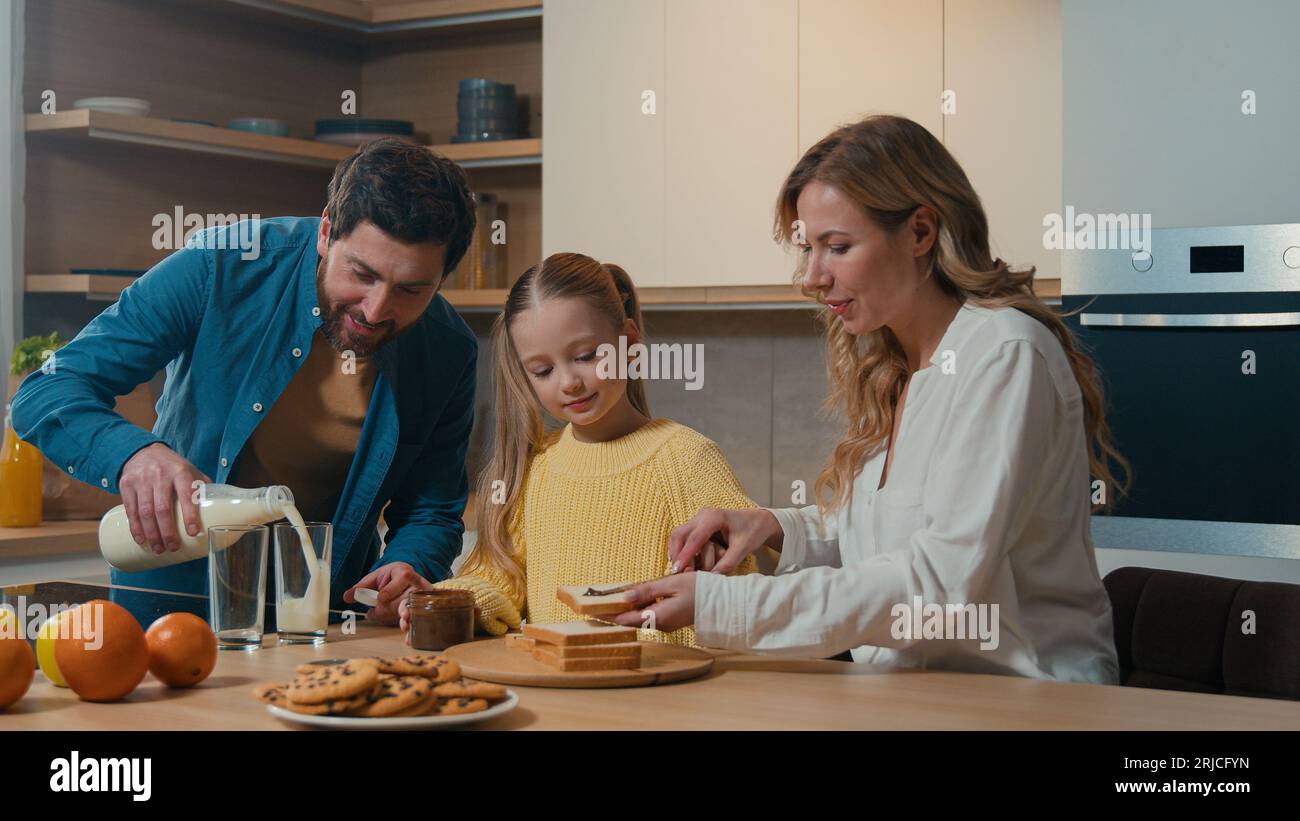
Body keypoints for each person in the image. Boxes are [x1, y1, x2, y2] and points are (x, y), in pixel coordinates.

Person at [607, 115, 1128, 683]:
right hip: (918, 697)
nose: (811, 277)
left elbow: (938, 586)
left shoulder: (1003, 355)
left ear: (920, 233)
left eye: (837, 247)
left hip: (1033, 700)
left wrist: (722, 605)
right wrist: (775, 527)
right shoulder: (896, 365)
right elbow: (883, 537)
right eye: (809, 249)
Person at [11, 138, 479, 625]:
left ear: (441, 280)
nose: (376, 310)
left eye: (411, 290)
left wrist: (407, 565)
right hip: (174, 605)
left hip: (326, 621)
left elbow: (432, 510)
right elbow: (48, 388)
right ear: (325, 233)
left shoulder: (448, 351)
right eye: (361, 273)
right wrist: (132, 455)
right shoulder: (222, 265)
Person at [399, 252, 760, 647]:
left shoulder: (688, 459)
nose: (569, 382)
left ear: (630, 341)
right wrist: (454, 600)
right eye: (543, 370)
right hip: (558, 699)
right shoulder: (535, 469)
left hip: (664, 697)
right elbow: (500, 582)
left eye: (586, 356)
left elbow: (738, 593)